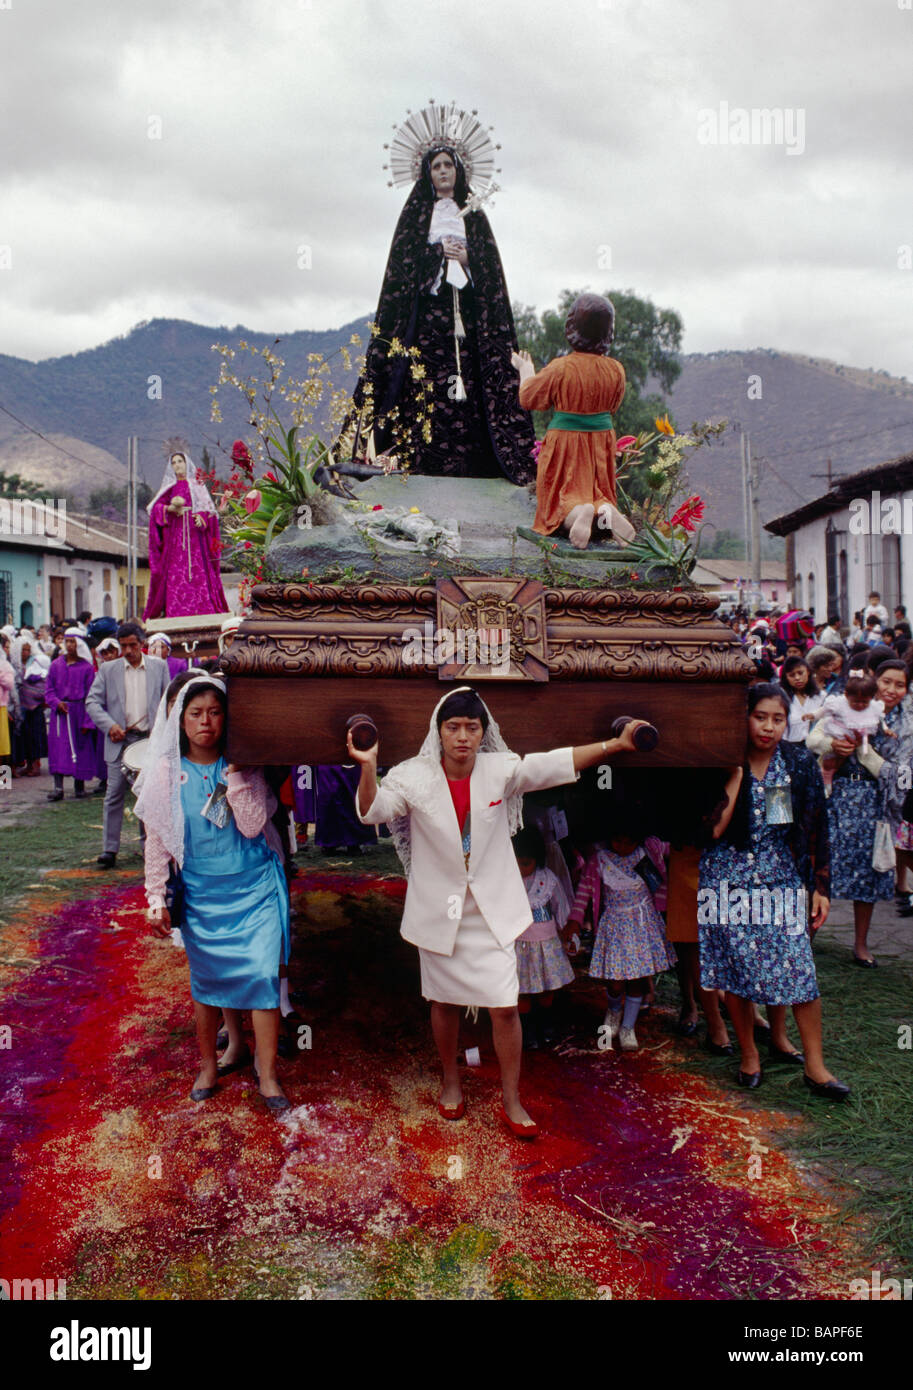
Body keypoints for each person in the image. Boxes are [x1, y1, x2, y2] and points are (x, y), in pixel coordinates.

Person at [349, 685, 650, 1138]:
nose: (463, 737)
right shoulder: (413, 775)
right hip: (440, 912)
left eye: (472, 727)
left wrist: (617, 744)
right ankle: (451, 1081)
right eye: (453, 728)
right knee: (444, 1002)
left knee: (506, 1008)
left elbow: (554, 764)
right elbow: (373, 811)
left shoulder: (500, 769)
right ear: (440, 731)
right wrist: (369, 767)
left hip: (492, 911)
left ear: (484, 731)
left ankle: (511, 1097)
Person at [139, 675, 292, 1111]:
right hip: (204, 894)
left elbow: (248, 825)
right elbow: (158, 839)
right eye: (195, 713)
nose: (206, 722)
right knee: (207, 983)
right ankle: (208, 1064)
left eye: (215, 712)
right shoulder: (167, 772)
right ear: (180, 720)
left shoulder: (246, 763)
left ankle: (268, 1073)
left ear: (226, 717)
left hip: (255, 887)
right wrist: (155, 896)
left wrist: (238, 773)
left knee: (263, 978)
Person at [346, 135, 535, 483]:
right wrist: (436, 255)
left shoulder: (475, 215)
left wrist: (468, 257)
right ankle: (422, 455)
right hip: (429, 317)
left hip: (468, 316)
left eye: (449, 165)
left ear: (459, 170)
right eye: (437, 166)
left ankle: (474, 461)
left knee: (470, 382)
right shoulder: (416, 215)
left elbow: (491, 269)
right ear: (427, 173)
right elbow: (402, 268)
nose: (444, 171)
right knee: (427, 379)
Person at [699, 684, 849, 1099]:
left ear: (787, 722)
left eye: (777, 719)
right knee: (737, 973)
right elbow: (709, 829)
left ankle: (816, 1068)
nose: (768, 727)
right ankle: (749, 1054)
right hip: (726, 879)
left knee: (800, 968)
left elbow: (816, 827)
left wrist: (820, 886)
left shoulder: (799, 764)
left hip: (781, 878)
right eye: (759, 716)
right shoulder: (722, 761)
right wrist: (733, 775)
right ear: (744, 717)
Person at [808, 659, 911, 966]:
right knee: (824, 866)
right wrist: (833, 745)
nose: (892, 690)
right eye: (886, 682)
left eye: (900, 684)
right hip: (838, 797)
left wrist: (869, 759)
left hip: (875, 803)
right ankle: (807, 937)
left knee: (867, 874)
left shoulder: (906, 726)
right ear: (874, 680)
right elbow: (814, 740)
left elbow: (902, 773)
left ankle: (861, 945)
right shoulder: (845, 704)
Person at [513, 293, 635, 550]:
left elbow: (528, 398)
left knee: (558, 500)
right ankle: (606, 511)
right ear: (609, 333)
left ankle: (578, 512)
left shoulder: (561, 368)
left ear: (571, 327)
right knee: (597, 491)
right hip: (600, 441)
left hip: (565, 441)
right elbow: (612, 407)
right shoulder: (616, 370)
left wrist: (525, 370)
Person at [569, 815, 675, 1052]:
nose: (623, 847)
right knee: (615, 981)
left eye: (629, 842)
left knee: (636, 979)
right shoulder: (599, 861)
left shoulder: (647, 854)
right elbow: (584, 891)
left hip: (641, 927)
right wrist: (575, 920)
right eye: (618, 841)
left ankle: (628, 1026)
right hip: (615, 927)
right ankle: (613, 1012)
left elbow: (677, 849)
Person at [86, 622, 170, 868]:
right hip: (118, 740)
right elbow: (92, 702)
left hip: (148, 741)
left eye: (133, 645)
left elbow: (169, 700)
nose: (128, 650)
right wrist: (109, 725)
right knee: (113, 795)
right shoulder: (108, 669)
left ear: (142, 644)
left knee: (147, 794)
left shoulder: (159, 666)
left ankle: (149, 846)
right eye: (124, 646)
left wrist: (162, 733)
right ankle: (109, 850)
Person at [143, 451, 229, 621]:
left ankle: (203, 609)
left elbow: (209, 511)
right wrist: (169, 509)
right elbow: (155, 509)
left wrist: (202, 518)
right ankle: (176, 611)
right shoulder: (170, 488)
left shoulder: (197, 485)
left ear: (187, 463)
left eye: (180, 461)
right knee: (175, 573)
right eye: (173, 462)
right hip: (175, 539)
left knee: (199, 572)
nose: (177, 465)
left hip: (196, 540)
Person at [511, 825, 575, 1049]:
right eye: (516, 862)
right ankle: (526, 1029)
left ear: (537, 859)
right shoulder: (506, 880)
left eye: (525, 863)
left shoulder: (548, 880)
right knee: (522, 990)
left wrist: (569, 936)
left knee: (547, 988)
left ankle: (546, 1024)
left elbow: (562, 909)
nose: (520, 869)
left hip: (546, 944)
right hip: (518, 945)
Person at [45, 629, 97, 801]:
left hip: (79, 712)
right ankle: (58, 788)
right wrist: (56, 703)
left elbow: (91, 695)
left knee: (80, 747)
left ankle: (79, 787)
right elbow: (49, 690)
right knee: (58, 748)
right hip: (60, 714)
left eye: (72, 641)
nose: (69, 645)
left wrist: (88, 722)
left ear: (79, 644)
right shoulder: (55, 665)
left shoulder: (87, 668)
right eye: (66, 641)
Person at [780, 656, 825, 743]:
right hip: (790, 748)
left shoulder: (821, 697)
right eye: (792, 675)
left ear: (808, 672)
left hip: (816, 747)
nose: (797, 678)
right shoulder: (781, 699)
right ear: (786, 678)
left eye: (800, 673)